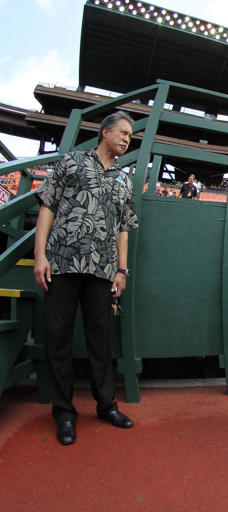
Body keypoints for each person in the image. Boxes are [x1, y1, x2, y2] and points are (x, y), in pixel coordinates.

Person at [33, 111, 139, 446]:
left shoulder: (124, 180)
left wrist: (122, 269)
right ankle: (64, 414)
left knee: (100, 341)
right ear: (105, 132)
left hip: (102, 270)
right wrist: (40, 256)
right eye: (122, 133)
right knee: (58, 338)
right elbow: (47, 206)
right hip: (62, 264)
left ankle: (106, 405)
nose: (126, 139)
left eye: (130, 136)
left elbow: (124, 228)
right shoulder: (71, 162)